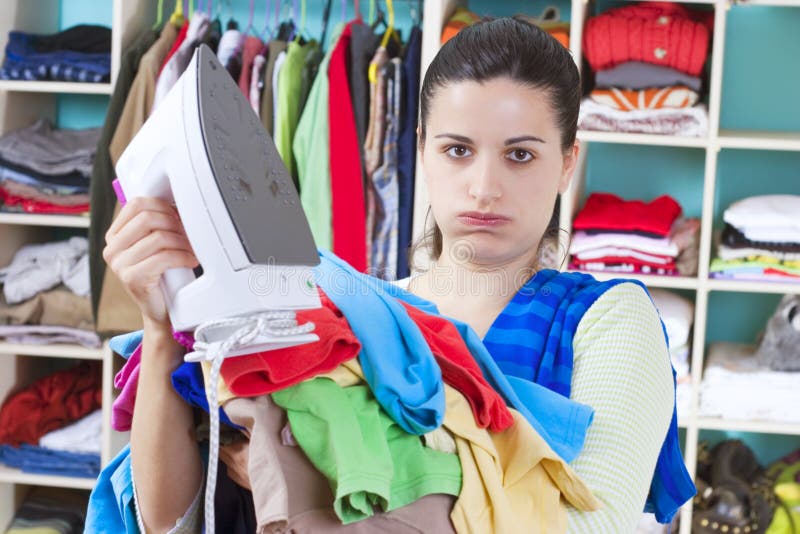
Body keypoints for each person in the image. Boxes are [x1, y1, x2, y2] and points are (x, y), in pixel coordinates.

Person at [98, 16, 693, 533]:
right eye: (458, 150)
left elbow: (588, 526)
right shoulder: (348, 313)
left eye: (520, 154)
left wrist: (307, 475)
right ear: (423, 149)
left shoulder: (608, 319)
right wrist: (160, 326)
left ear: (567, 163)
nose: (484, 186)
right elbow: (171, 521)